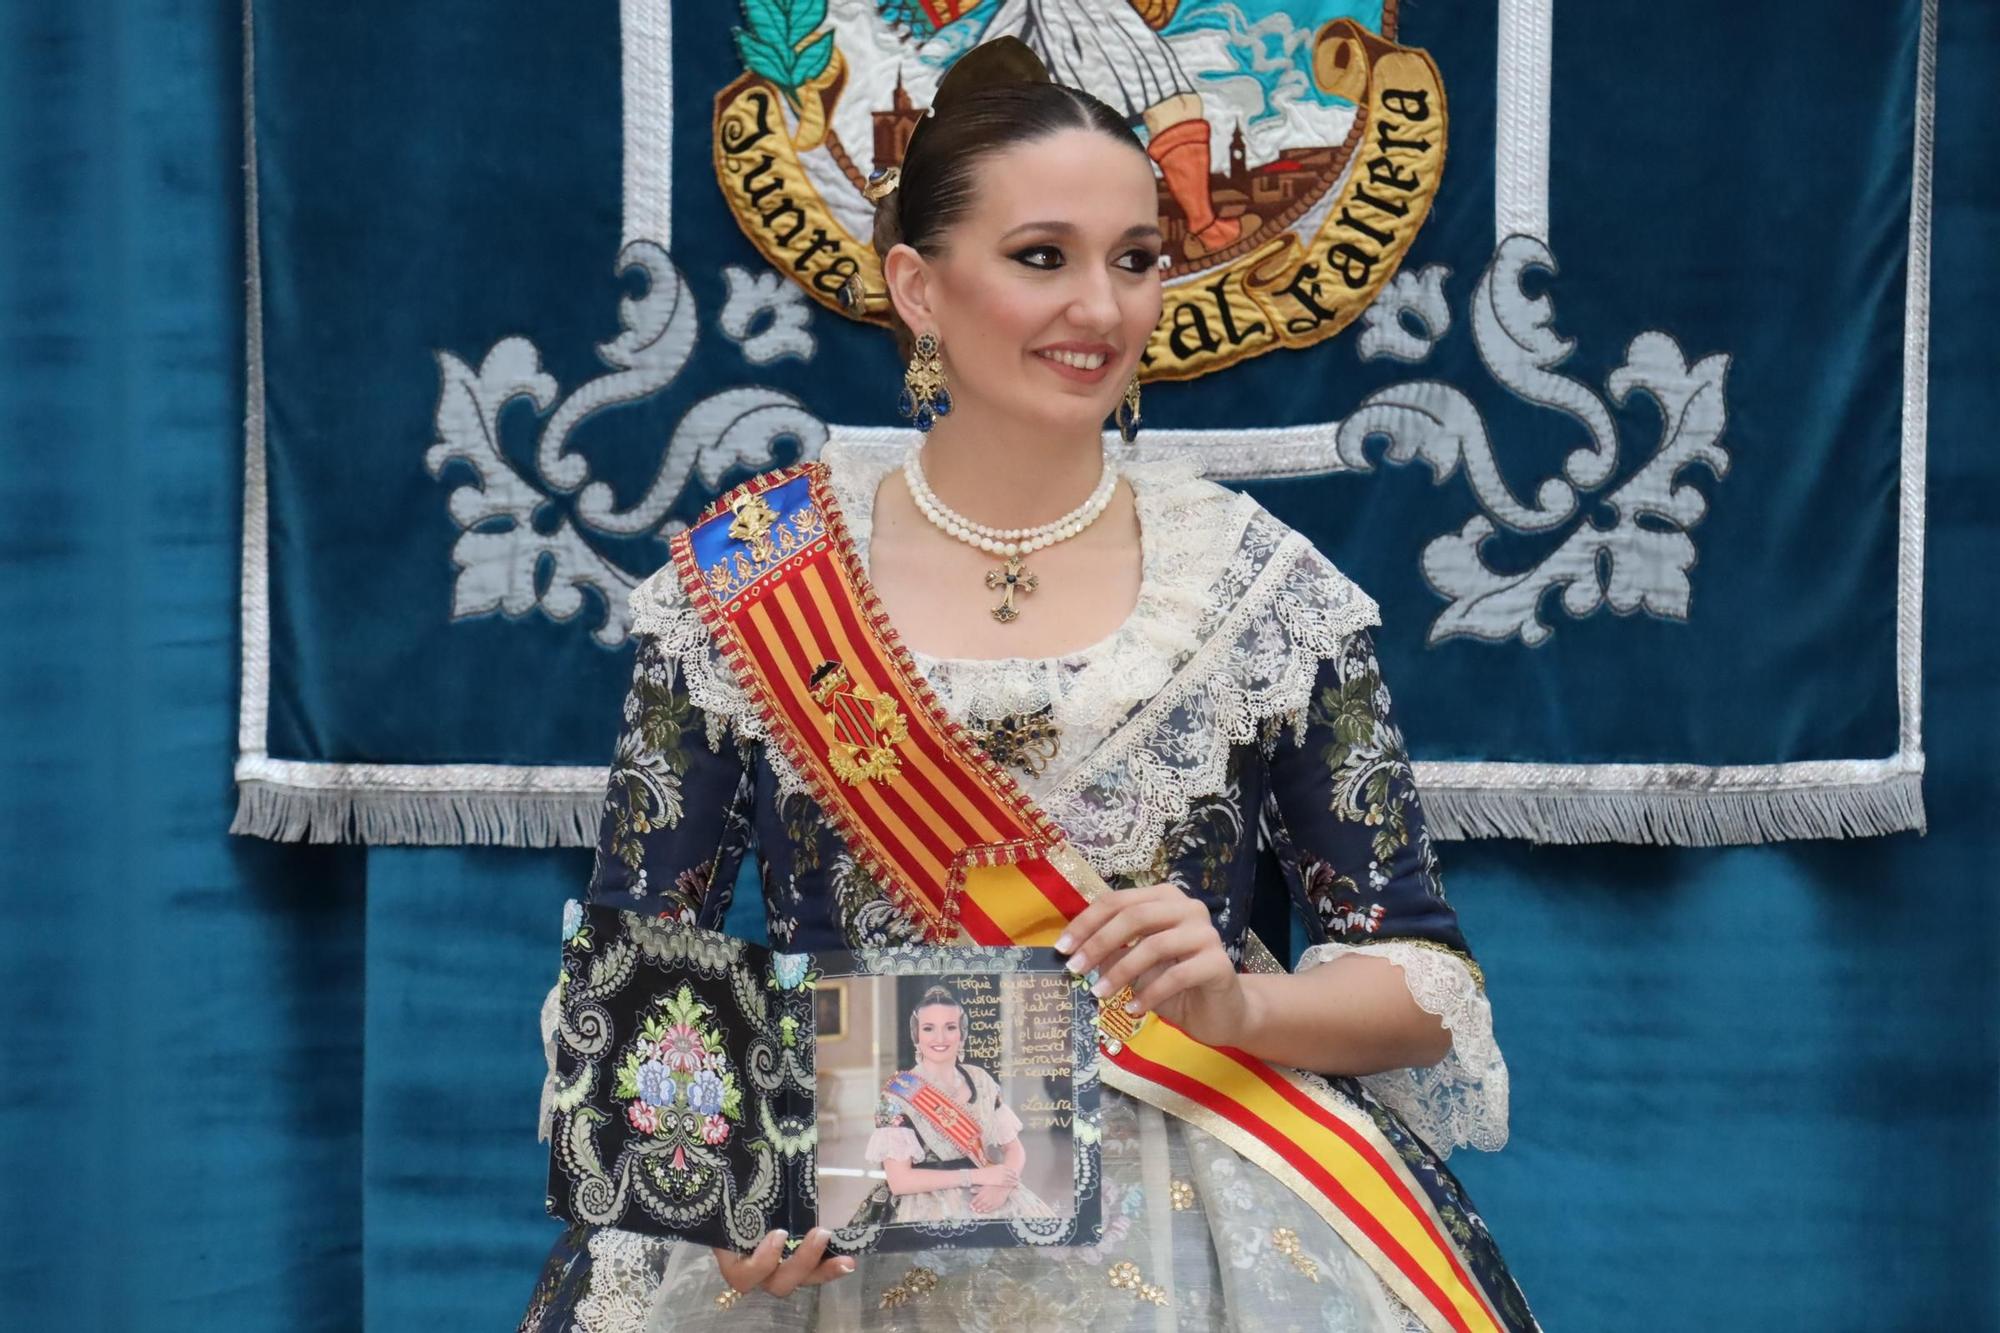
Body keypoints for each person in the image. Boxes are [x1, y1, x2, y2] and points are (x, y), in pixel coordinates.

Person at [519, 37, 1536, 1333]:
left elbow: (1419, 982)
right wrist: (715, 1208)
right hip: (842, 1232)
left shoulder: (1259, 588)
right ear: (918, 286)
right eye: (1042, 257)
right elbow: (643, 952)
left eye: (1137, 259)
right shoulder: (754, 580)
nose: (1101, 311)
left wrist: (1240, 1000)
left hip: (1209, 1226)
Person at [848, 986, 1062, 1226]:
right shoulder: (897, 1095)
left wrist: (1002, 1186)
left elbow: (1015, 1150)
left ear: (962, 1033)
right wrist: (976, 1176)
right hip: (923, 1203)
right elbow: (900, 1181)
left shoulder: (981, 1080)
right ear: (916, 1035)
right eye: (929, 1029)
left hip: (989, 1190)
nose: (940, 1038)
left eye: (950, 1027)